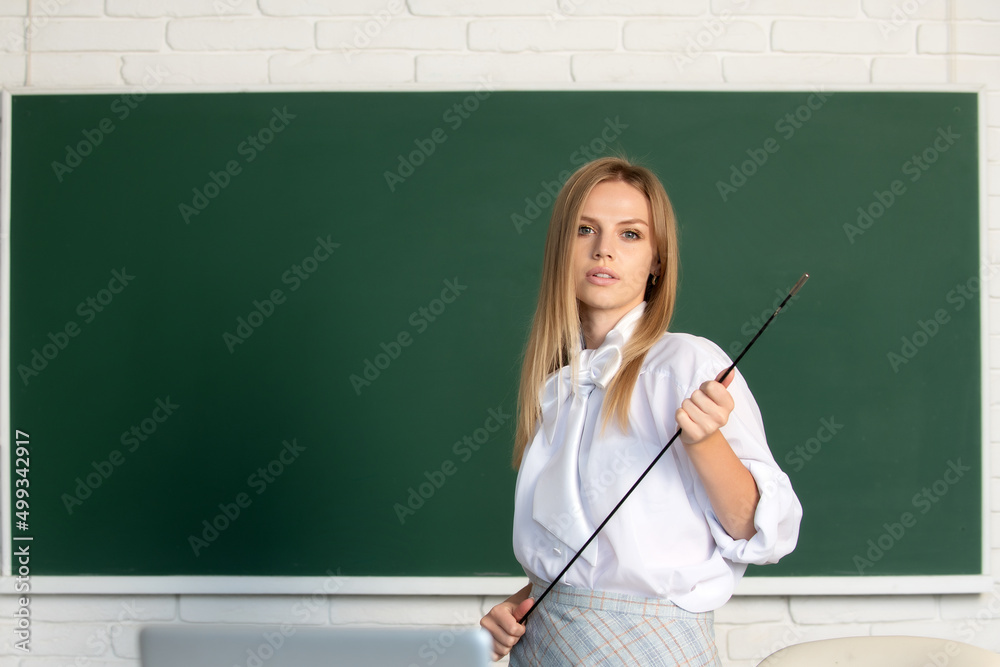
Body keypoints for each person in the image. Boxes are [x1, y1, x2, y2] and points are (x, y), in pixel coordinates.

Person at [479, 156, 802, 666]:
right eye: (585, 229)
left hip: (648, 649)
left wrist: (705, 441)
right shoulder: (558, 384)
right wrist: (524, 601)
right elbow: (590, 553)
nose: (603, 248)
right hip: (547, 643)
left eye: (630, 235)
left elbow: (761, 533)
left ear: (658, 261)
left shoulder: (687, 363)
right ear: (560, 248)